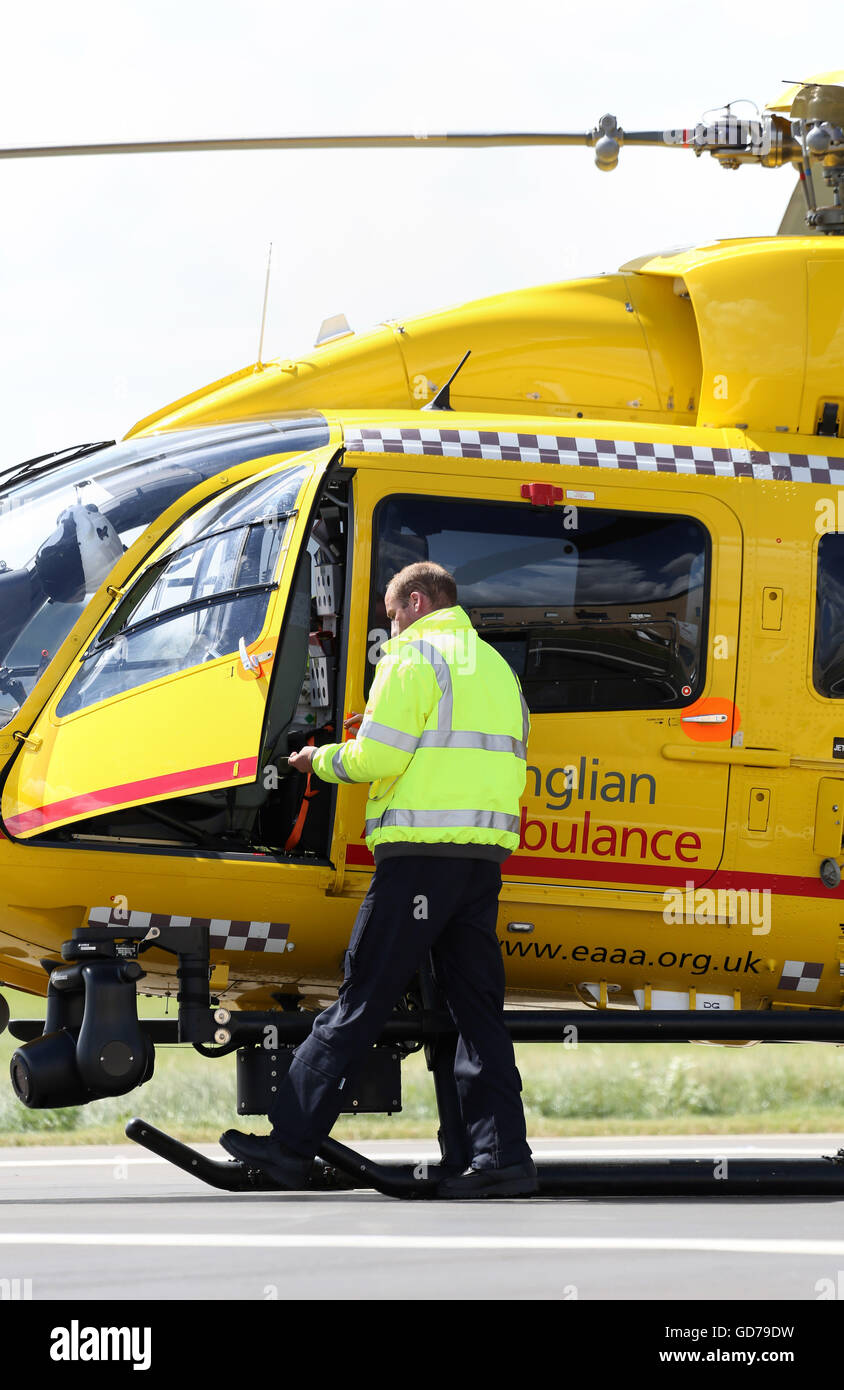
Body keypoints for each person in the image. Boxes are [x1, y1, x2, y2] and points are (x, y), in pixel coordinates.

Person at [221, 561, 537, 1197]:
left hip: (418, 857)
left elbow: (380, 756)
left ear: (415, 602)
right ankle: (497, 1158)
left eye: (392, 614)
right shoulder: (496, 668)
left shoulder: (413, 655)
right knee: (474, 1014)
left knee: (361, 998)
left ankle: (288, 1148)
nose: (389, 626)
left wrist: (321, 759)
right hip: (480, 862)